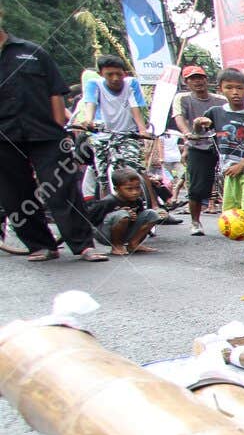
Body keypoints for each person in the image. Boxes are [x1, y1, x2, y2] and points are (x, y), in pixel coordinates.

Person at [0, 15, 105, 262]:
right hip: (4, 137)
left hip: (46, 133)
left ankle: (83, 246)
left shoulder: (32, 52)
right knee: (14, 194)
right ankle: (41, 245)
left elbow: (55, 91)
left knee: (61, 188)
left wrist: (60, 124)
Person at [194, 68, 244, 263]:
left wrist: (242, 165)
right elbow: (198, 131)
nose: (235, 92)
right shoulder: (215, 113)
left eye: (239, 88)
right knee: (234, 209)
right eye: (229, 88)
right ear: (221, 90)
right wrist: (198, 123)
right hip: (229, 171)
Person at [83, 55, 151, 192]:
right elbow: (91, 104)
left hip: (127, 133)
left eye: (118, 74)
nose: (115, 78)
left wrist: (142, 130)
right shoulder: (93, 84)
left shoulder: (131, 83)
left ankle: (154, 205)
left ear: (124, 73)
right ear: (100, 74)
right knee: (102, 174)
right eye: (109, 74)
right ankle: (105, 208)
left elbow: (135, 107)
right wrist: (88, 120)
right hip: (102, 134)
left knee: (137, 167)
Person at [173, 64, 220, 230]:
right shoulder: (183, 98)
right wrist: (187, 134)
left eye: (200, 77)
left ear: (206, 79)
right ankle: (195, 222)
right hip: (198, 144)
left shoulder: (219, 100)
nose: (198, 81)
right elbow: (180, 118)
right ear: (186, 82)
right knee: (197, 187)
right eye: (193, 78)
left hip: (220, 145)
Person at [84, 167, 160, 256]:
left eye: (137, 188)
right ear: (117, 189)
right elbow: (89, 220)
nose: (135, 192)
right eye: (129, 189)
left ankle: (133, 244)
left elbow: (141, 220)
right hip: (105, 234)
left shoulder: (137, 200)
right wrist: (116, 213)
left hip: (125, 232)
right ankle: (117, 246)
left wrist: (133, 217)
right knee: (122, 215)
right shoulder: (108, 201)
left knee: (152, 214)